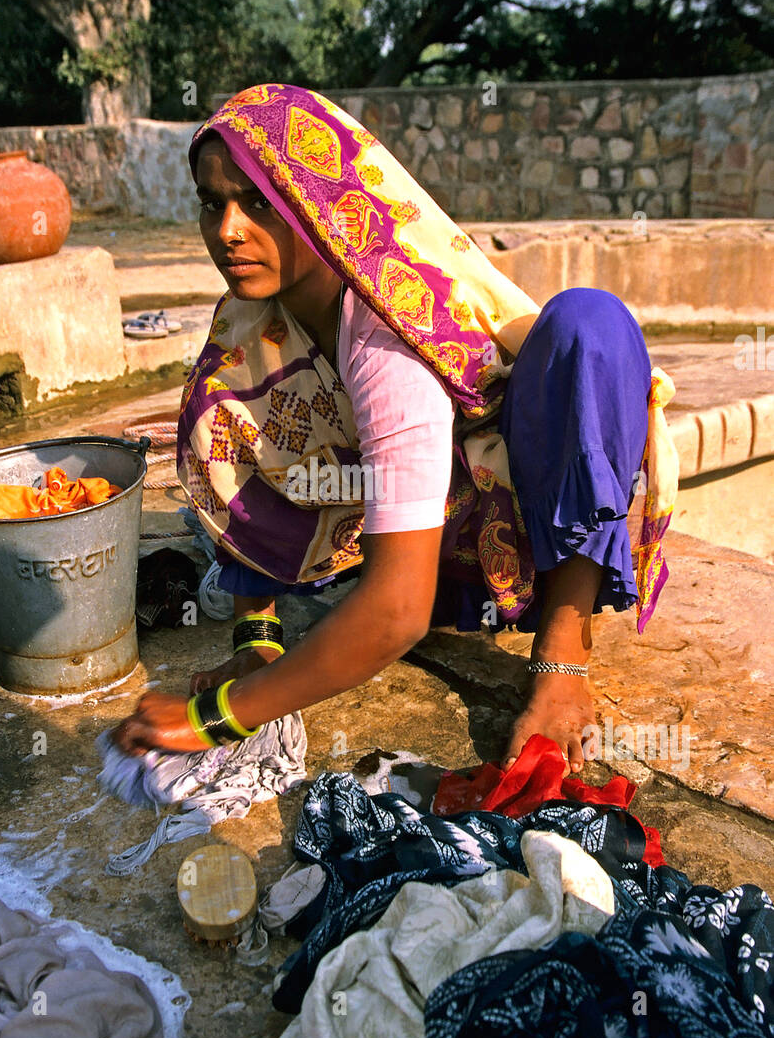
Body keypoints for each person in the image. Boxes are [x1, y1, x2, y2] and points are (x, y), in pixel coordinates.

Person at [114, 84, 678, 772]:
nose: (228, 229)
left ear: (315, 199)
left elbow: (394, 615)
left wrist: (213, 717)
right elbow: (243, 467)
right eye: (213, 203)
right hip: (400, 545)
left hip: (504, 548)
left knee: (588, 325)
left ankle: (563, 657)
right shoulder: (252, 322)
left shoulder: (387, 341)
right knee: (226, 397)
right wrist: (257, 635)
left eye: (258, 201)